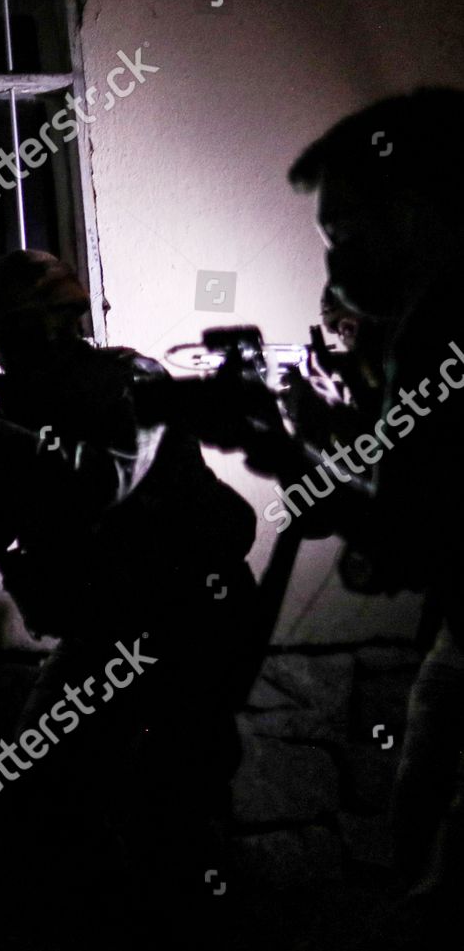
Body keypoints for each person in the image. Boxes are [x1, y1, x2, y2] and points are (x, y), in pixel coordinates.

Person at [0, 250, 258, 920]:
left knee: (175, 797)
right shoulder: (15, 403)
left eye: (4, 332)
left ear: (53, 322)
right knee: (43, 785)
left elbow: (108, 478)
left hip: (187, 612)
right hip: (106, 622)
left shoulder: (128, 378)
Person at [276, 88, 464, 918]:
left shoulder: (436, 327)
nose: (336, 273)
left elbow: (405, 541)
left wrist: (290, 451)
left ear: (421, 208)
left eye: (347, 237)